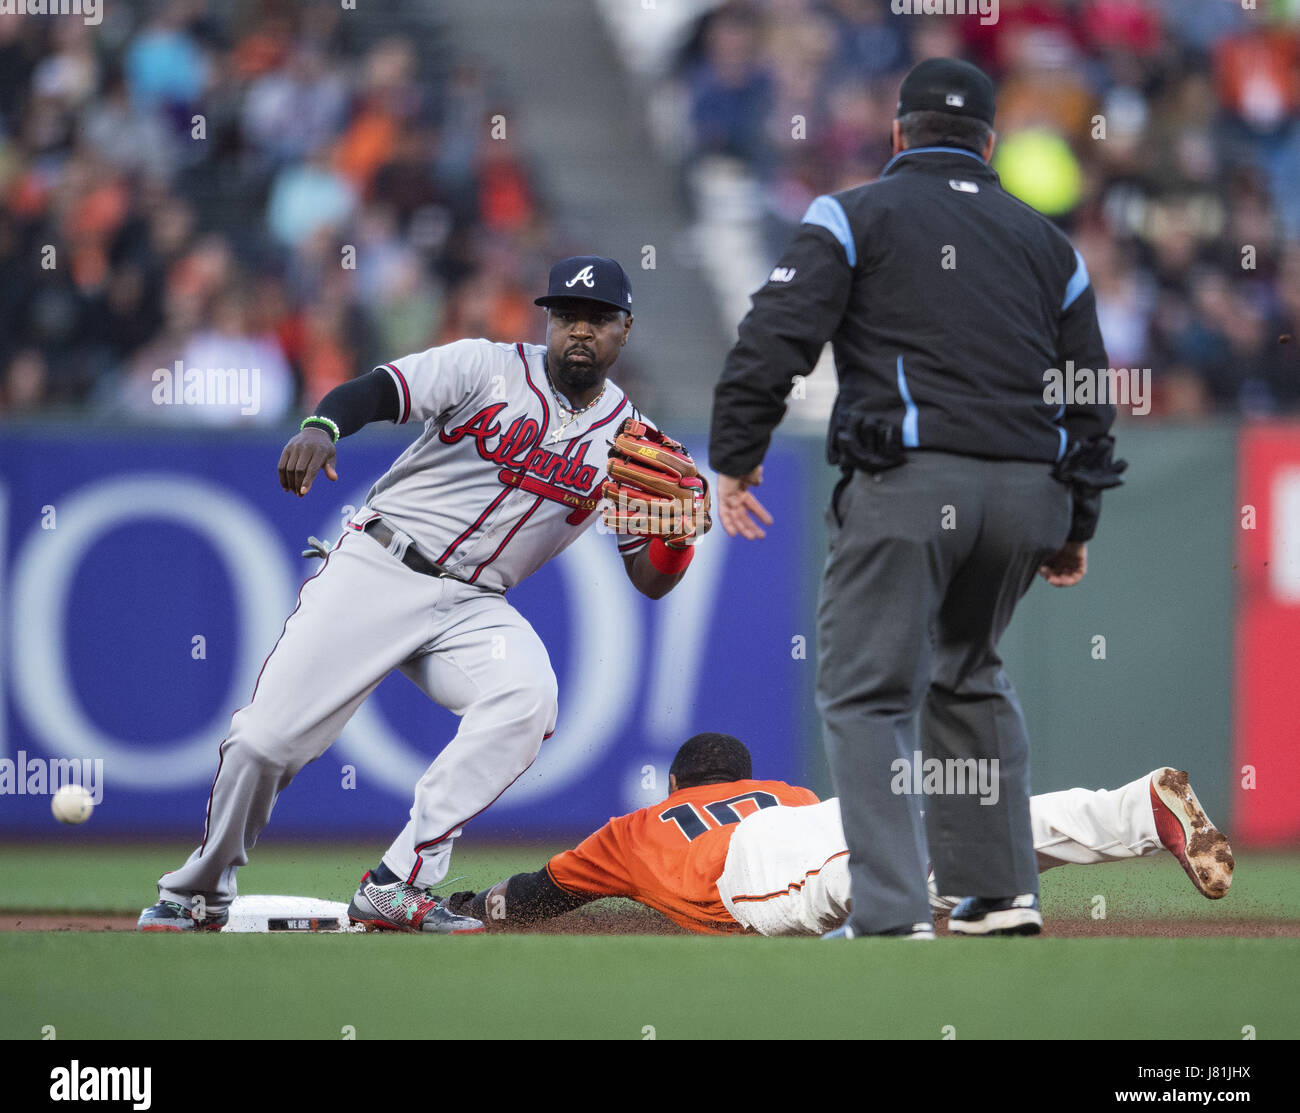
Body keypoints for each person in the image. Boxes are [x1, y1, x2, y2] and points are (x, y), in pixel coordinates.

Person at [138, 255, 706, 934]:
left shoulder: (628, 440)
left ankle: (399, 882)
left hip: (474, 604)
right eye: (566, 316)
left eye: (598, 319)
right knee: (265, 743)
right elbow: (377, 390)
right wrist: (322, 428)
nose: (579, 331)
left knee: (526, 698)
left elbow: (650, 581)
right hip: (381, 565)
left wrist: (675, 539)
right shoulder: (485, 366)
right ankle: (199, 888)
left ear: (626, 330)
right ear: (547, 321)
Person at [707, 58, 1127, 937]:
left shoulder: (853, 213)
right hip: (1028, 491)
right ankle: (1000, 893)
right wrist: (1076, 521)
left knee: (867, 696)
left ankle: (893, 915)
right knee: (967, 671)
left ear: (897, 134)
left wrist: (736, 456)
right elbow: (1091, 392)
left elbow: (773, 339)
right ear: (991, 142)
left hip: (909, 480)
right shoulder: (1051, 246)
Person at [446, 732, 1233, 937]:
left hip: (752, 867)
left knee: (841, 891)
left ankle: (905, 914)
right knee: (978, 828)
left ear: (677, 789)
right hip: (816, 817)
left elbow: (540, 895)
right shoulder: (780, 787)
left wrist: (476, 907)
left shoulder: (634, 827)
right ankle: (1134, 808)